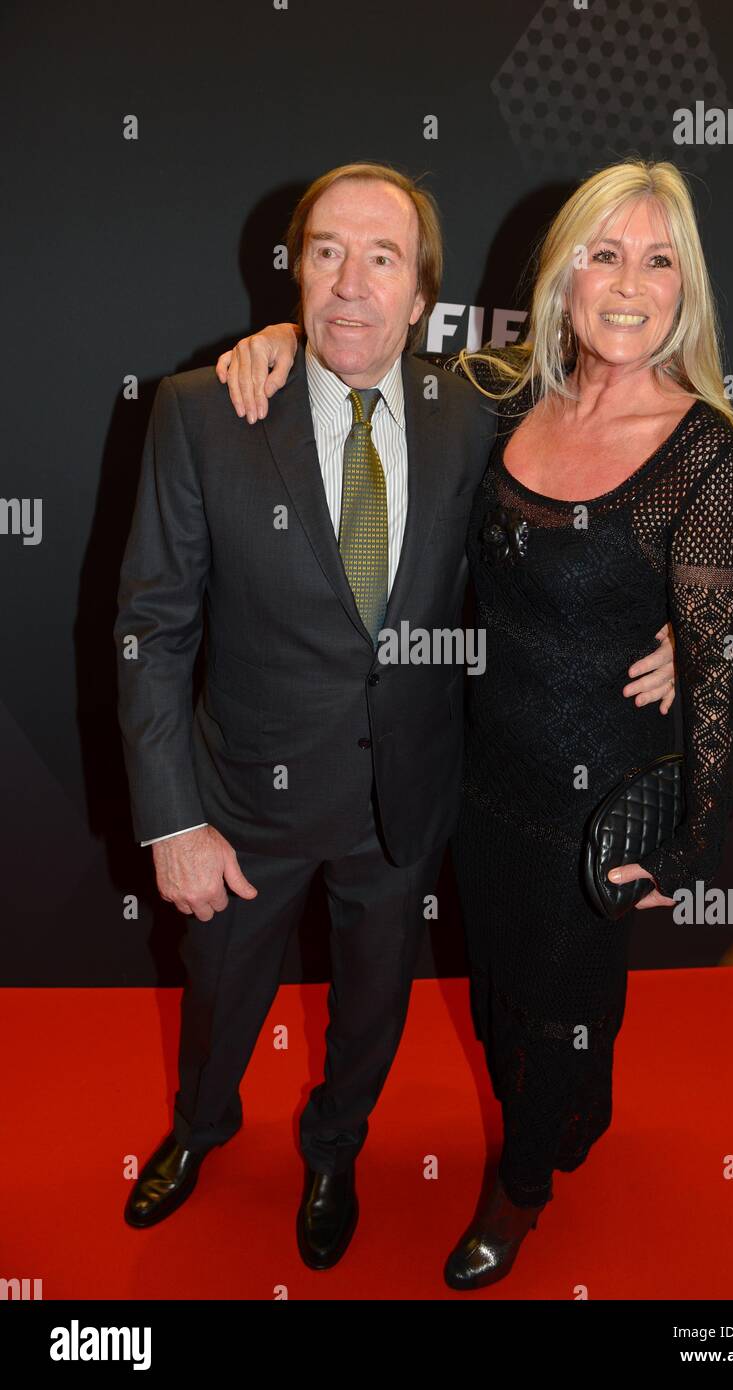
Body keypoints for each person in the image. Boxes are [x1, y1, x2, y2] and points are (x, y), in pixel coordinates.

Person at [115, 161, 676, 1273]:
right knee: (222, 999)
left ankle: (336, 1150)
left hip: (408, 800)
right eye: (327, 252)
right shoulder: (204, 412)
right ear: (292, 272)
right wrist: (171, 820)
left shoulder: (474, 407)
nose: (352, 285)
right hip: (244, 804)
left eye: (384, 259)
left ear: (424, 296)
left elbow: (606, 453)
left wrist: (677, 627)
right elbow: (152, 628)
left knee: (372, 1010)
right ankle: (200, 1126)